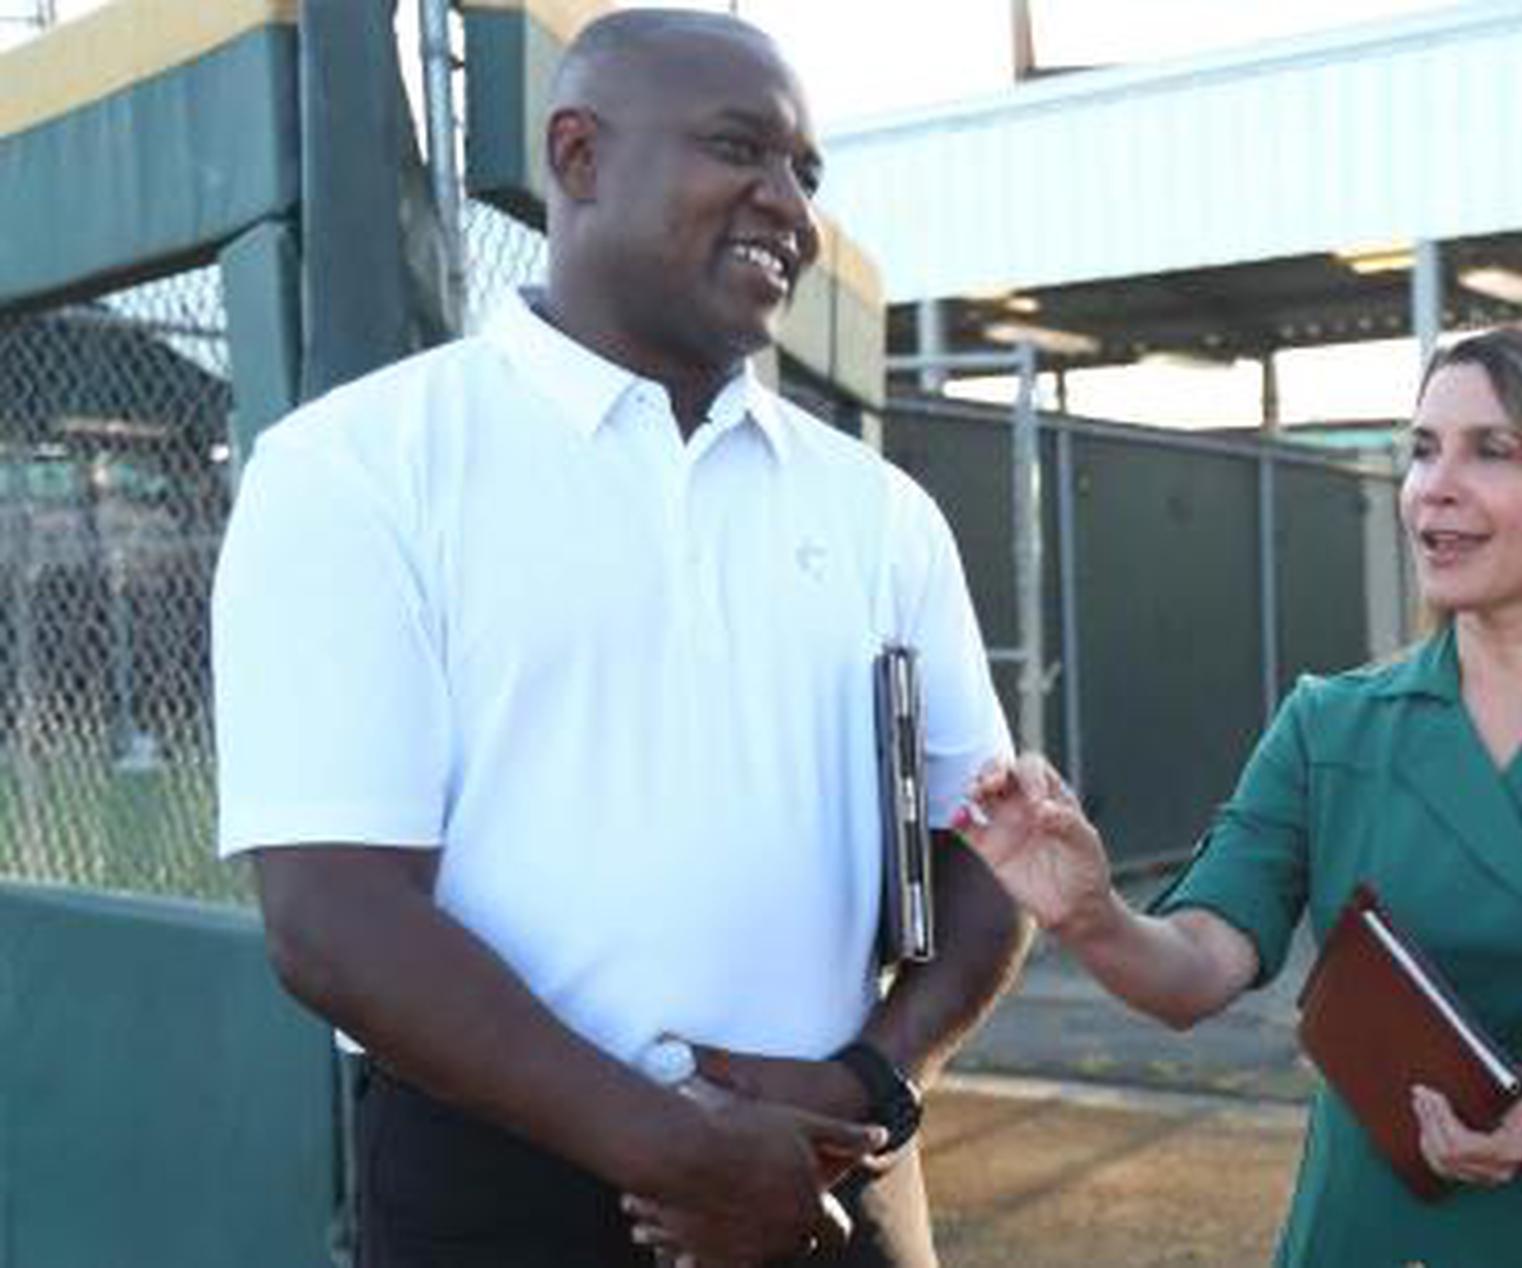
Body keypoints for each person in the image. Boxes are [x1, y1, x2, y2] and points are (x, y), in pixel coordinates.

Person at [210, 11, 1028, 1267]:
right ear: (578, 155)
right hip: (501, 1196)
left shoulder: (878, 510)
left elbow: (984, 857)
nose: (789, 206)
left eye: (806, 171)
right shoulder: (359, 465)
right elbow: (330, 912)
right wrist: (676, 1150)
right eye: (738, 148)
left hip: (829, 1172)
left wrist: (874, 1076)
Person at [959, 323, 1522, 1267]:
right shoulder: (1332, 726)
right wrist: (1091, 915)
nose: (1433, 485)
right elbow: (1196, 970)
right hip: (1372, 1236)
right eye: (1421, 449)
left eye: (1492, 450)